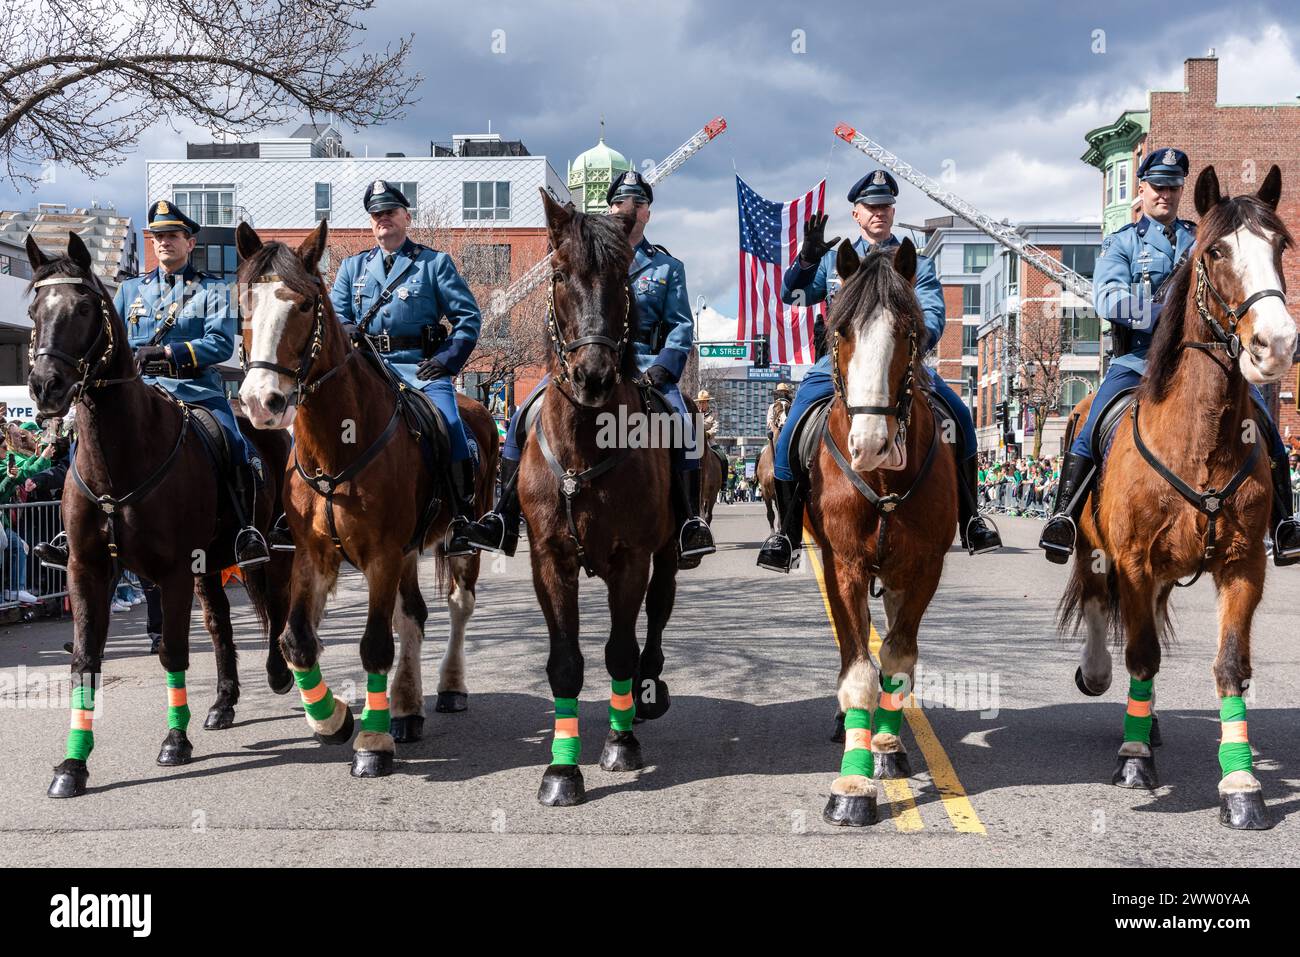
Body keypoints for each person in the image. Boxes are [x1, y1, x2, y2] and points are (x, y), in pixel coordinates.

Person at [1039, 148, 1300, 565]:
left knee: (1264, 425)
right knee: (1094, 419)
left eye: (1174, 186)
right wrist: (1162, 312)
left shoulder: (1204, 237)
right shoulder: (1122, 243)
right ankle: (1063, 517)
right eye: (1158, 185)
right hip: (1138, 361)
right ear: (1140, 189)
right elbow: (1107, 299)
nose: (1166, 194)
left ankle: (1285, 523)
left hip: (1200, 361)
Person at [463, 169, 715, 568]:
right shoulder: (584, 253)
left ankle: (688, 522)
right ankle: (503, 517)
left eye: (639, 202)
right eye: (621, 202)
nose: (629, 208)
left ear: (647, 212)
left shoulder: (666, 268)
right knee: (521, 417)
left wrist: (666, 366)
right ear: (611, 209)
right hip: (583, 357)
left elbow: (682, 325)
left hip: (647, 365)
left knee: (682, 424)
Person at [757, 169, 1002, 572]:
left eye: (886, 206)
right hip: (838, 368)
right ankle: (784, 533)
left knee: (960, 417)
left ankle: (972, 519)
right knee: (792, 430)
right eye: (871, 207)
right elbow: (792, 295)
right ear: (856, 213)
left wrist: (906, 349)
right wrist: (807, 258)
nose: (880, 213)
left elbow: (934, 313)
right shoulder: (838, 261)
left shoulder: (915, 264)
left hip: (899, 366)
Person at [35, 200, 269, 570]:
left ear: (190, 243)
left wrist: (169, 351)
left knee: (235, 444)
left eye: (173, 235)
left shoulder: (214, 290)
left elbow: (222, 344)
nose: (165, 242)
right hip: (140, 392)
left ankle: (245, 530)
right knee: (84, 442)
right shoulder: (129, 290)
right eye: (159, 236)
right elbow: (112, 341)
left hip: (196, 392)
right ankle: (71, 534)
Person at [329, 179, 483, 556]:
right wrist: (346, 328)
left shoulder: (434, 264)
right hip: (367, 370)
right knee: (319, 423)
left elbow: (468, 318)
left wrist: (445, 362)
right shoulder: (352, 268)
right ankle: (304, 515)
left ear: (406, 218)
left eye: (390, 212)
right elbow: (335, 316)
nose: (383, 219)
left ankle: (462, 521)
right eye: (376, 214)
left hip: (419, 369)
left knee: (449, 426)